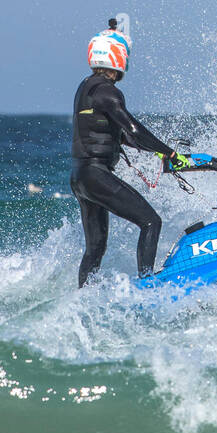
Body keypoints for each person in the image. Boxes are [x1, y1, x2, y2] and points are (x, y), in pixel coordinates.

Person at [70, 21, 191, 286]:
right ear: (118, 57)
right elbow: (133, 128)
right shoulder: (108, 91)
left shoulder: (86, 87)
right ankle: (147, 286)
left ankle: (84, 295)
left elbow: (120, 136)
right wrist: (169, 153)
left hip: (80, 177)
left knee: (95, 249)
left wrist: (157, 151)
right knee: (150, 222)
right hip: (96, 175)